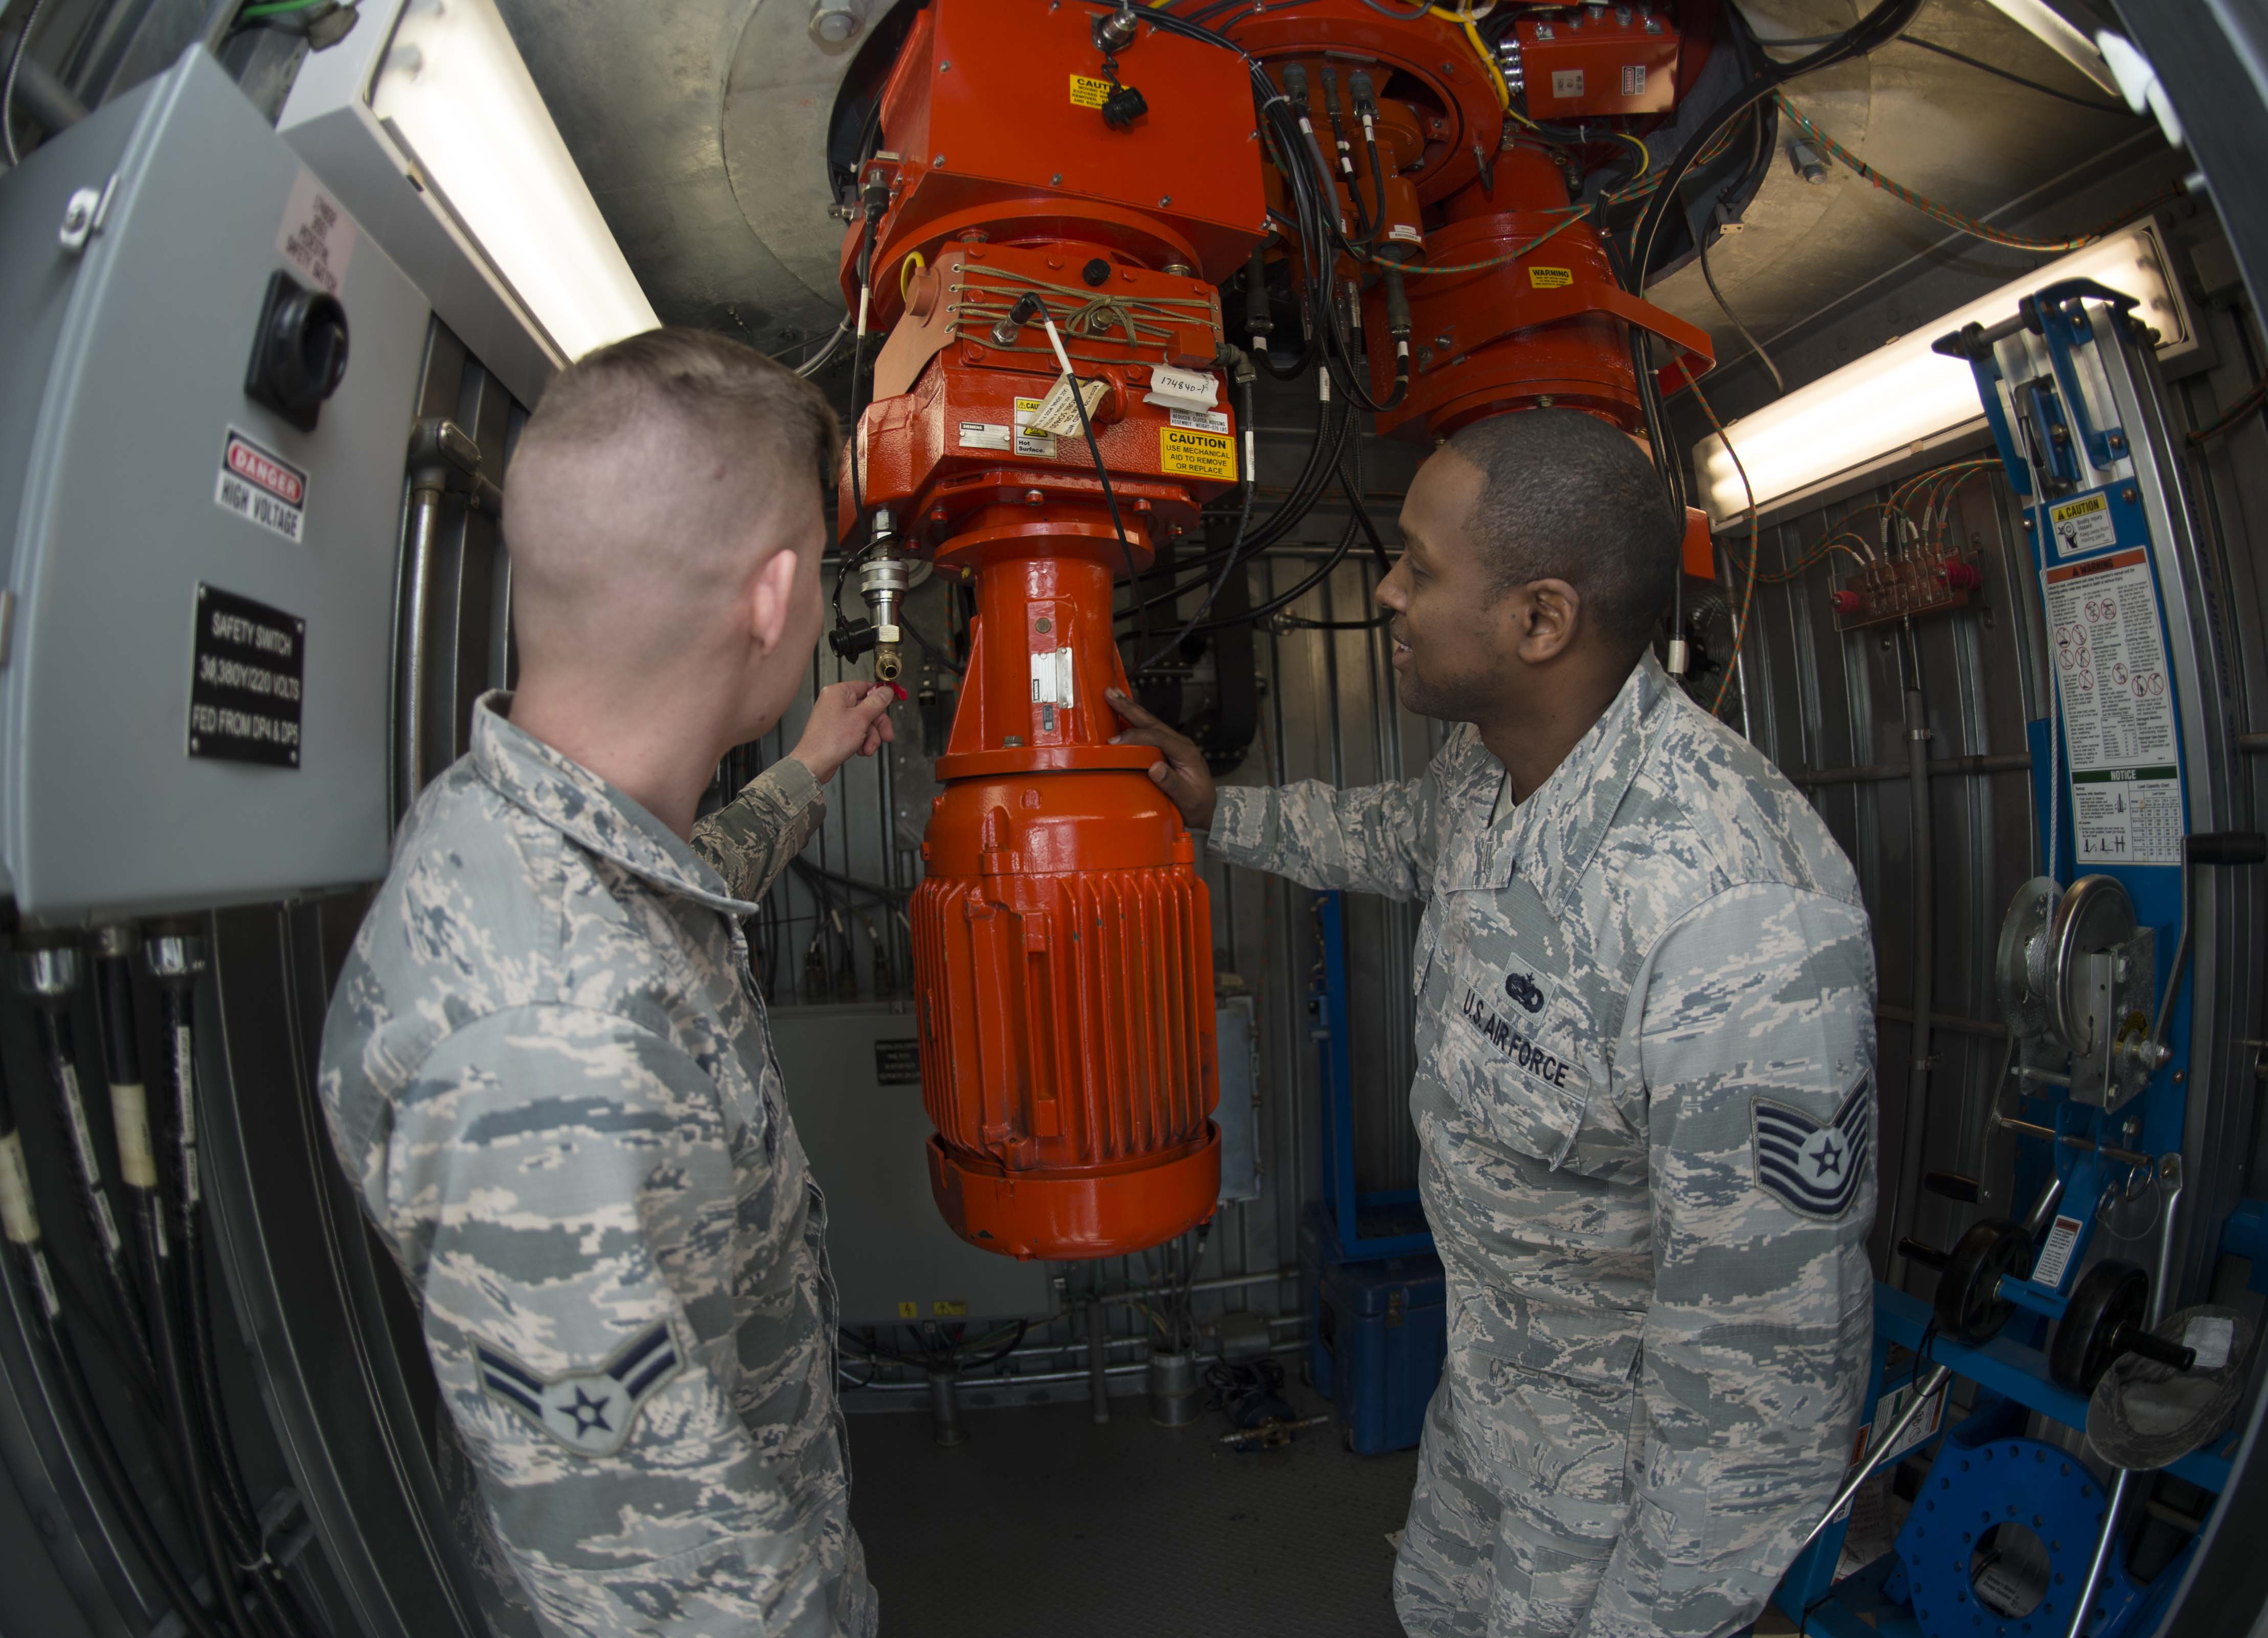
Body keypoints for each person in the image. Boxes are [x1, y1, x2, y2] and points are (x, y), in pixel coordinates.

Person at [1109, 409, 1876, 1638]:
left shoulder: (1734, 907)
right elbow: (1390, 839)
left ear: (1539, 620)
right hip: (1486, 1424)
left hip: (1625, 1514)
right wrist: (1216, 811)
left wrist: (1656, 1618)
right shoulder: (1490, 771)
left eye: (1417, 564)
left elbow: (1765, 1374)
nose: (1385, 591)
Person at [319, 328, 892, 1638]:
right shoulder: (549, 1048)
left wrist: (805, 763)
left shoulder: (530, 829)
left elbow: (681, 883)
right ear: (775, 596)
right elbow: (653, 1587)